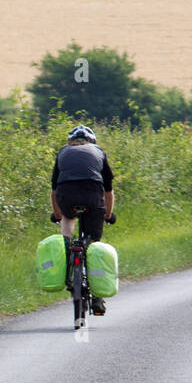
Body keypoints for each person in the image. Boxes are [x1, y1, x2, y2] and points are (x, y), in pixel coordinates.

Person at [51, 124, 114, 316]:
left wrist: (57, 214)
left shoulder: (62, 153)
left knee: (68, 220)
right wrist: (108, 215)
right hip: (92, 195)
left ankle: (66, 246)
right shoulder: (99, 152)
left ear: (70, 142)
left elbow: (54, 191)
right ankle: (97, 297)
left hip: (66, 196)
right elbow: (108, 192)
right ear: (91, 142)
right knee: (93, 243)